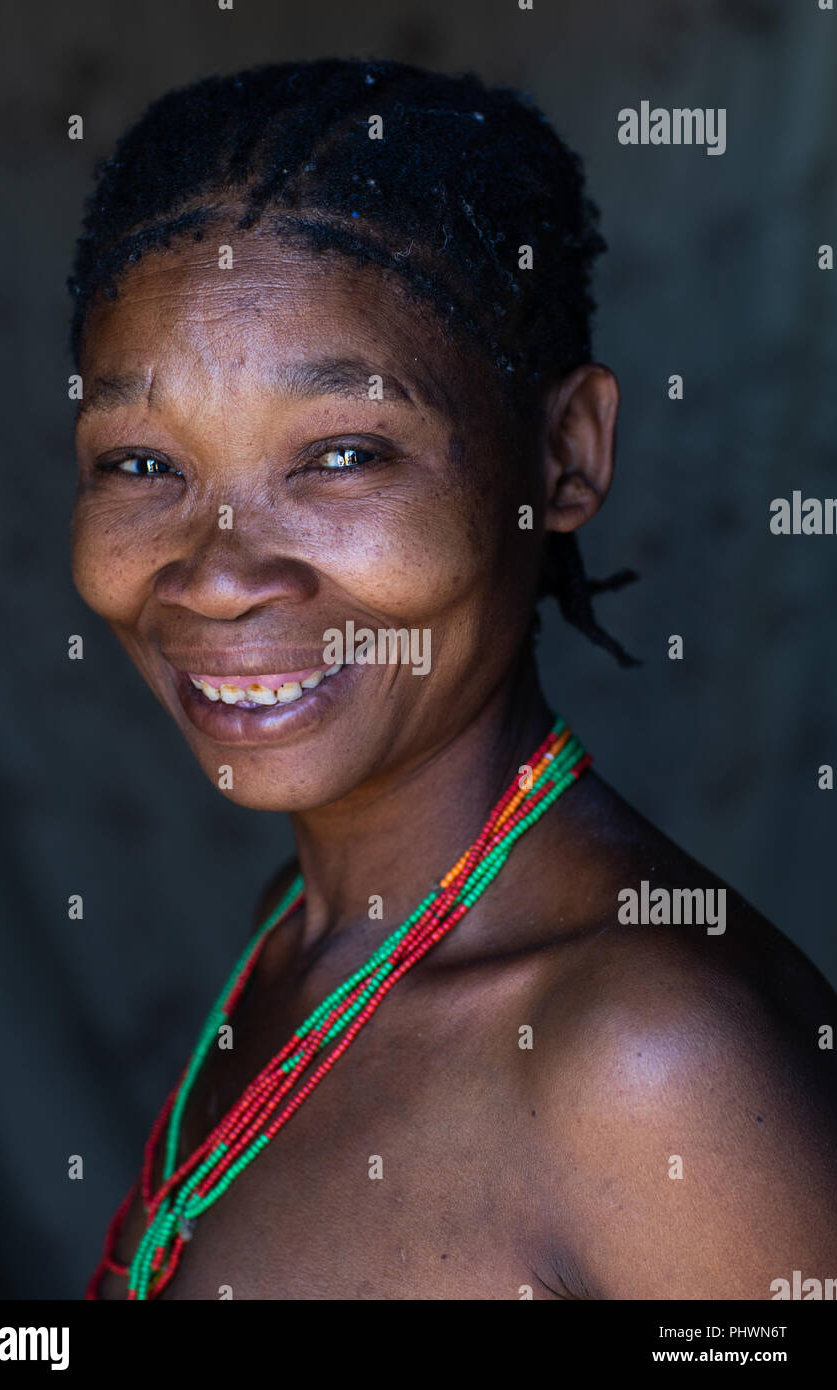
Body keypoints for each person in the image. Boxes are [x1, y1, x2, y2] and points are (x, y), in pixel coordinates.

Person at [69, 59, 836, 1300]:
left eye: (342, 452)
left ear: (565, 456)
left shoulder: (648, 1063)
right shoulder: (303, 939)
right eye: (143, 463)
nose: (214, 577)